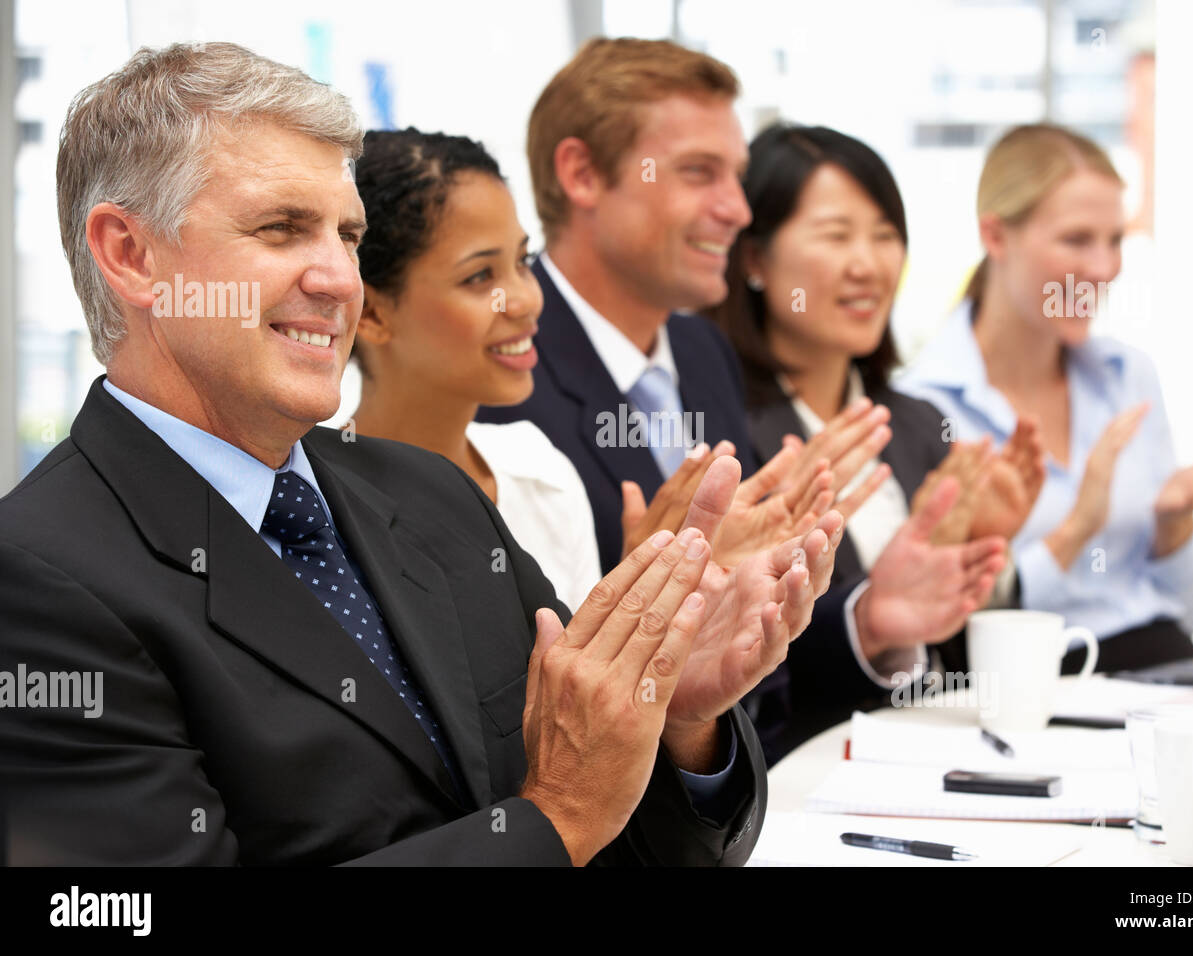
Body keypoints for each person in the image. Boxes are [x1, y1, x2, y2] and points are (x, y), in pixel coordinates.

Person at [0, 41, 846, 866]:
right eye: (282, 229)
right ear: (130, 254)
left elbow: (632, 839)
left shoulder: (431, 493)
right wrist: (553, 820)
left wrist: (673, 715)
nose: (338, 279)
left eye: (348, 235)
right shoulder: (38, 581)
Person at [478, 38, 1008, 763]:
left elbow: (753, 671)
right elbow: (498, 688)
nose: (734, 209)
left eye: (737, 177)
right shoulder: (496, 364)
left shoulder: (701, 354)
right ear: (581, 173)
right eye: (700, 173)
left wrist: (871, 616)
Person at [706, 124, 1045, 758]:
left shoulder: (916, 421)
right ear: (754, 258)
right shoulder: (724, 432)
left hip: (946, 757)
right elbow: (742, 682)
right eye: (836, 236)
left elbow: (958, 654)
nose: (868, 264)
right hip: (807, 772)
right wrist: (870, 617)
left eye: (885, 235)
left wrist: (981, 548)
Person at [898, 123, 1193, 673]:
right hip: (1028, 692)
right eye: (1077, 240)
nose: (1104, 268)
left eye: (1115, 241)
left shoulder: (1128, 376)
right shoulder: (924, 410)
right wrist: (1077, 528)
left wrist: (1173, 524)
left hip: (1164, 670)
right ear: (995, 236)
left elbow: (1189, 609)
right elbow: (945, 631)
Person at [346, 128, 600, 612]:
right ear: (371, 314)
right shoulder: (316, 507)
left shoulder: (541, 473)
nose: (526, 300)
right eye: (480, 276)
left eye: (522, 261)